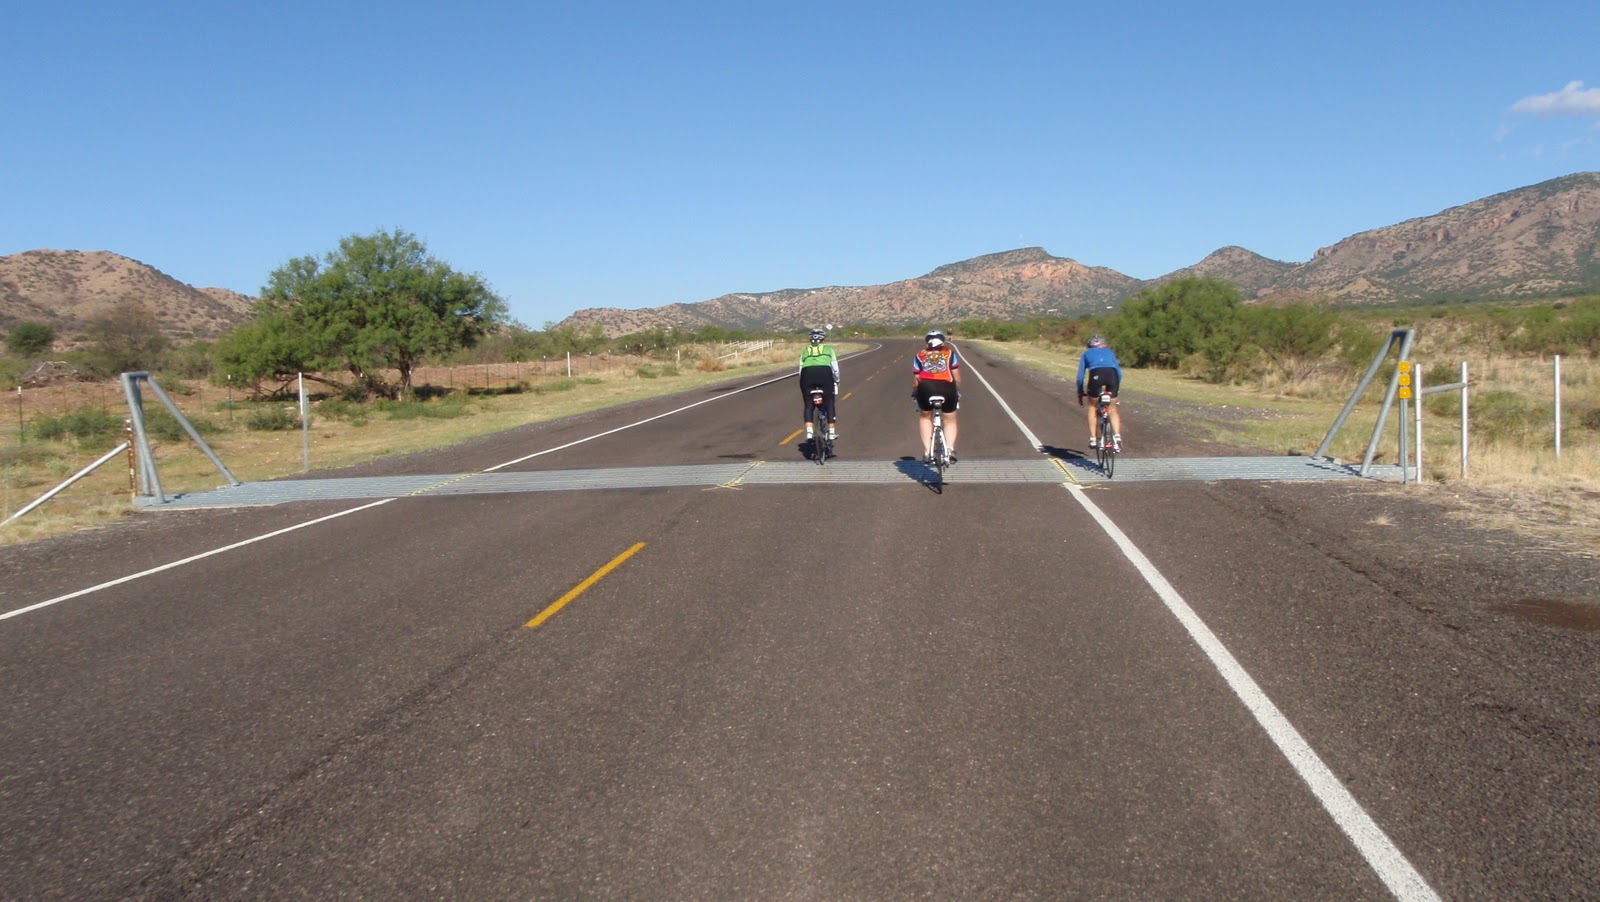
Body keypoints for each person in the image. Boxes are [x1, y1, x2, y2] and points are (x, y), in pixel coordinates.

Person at [913, 329, 961, 464]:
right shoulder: (950, 354)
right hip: (947, 387)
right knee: (950, 419)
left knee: (925, 416)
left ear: (927, 342)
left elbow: (917, 379)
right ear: (943, 341)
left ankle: (928, 452)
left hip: (926, 387)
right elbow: (956, 376)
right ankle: (950, 449)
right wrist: (956, 390)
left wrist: (915, 391)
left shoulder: (919, 355)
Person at [1076, 334, 1123, 452]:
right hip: (1112, 377)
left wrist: (1080, 391)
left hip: (1096, 376)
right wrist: (1116, 390)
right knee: (1112, 409)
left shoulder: (1086, 353)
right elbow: (1119, 373)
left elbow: (1080, 377)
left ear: (1089, 345)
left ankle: (1093, 438)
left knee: (1092, 406)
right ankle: (1117, 437)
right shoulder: (1109, 352)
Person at [798, 327, 839, 442]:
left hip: (807, 376)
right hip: (824, 374)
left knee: (808, 405)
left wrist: (803, 385)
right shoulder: (829, 350)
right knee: (829, 402)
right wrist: (837, 380)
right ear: (823, 339)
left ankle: (809, 431)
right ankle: (831, 432)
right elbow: (835, 370)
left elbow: (800, 371)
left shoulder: (805, 351)